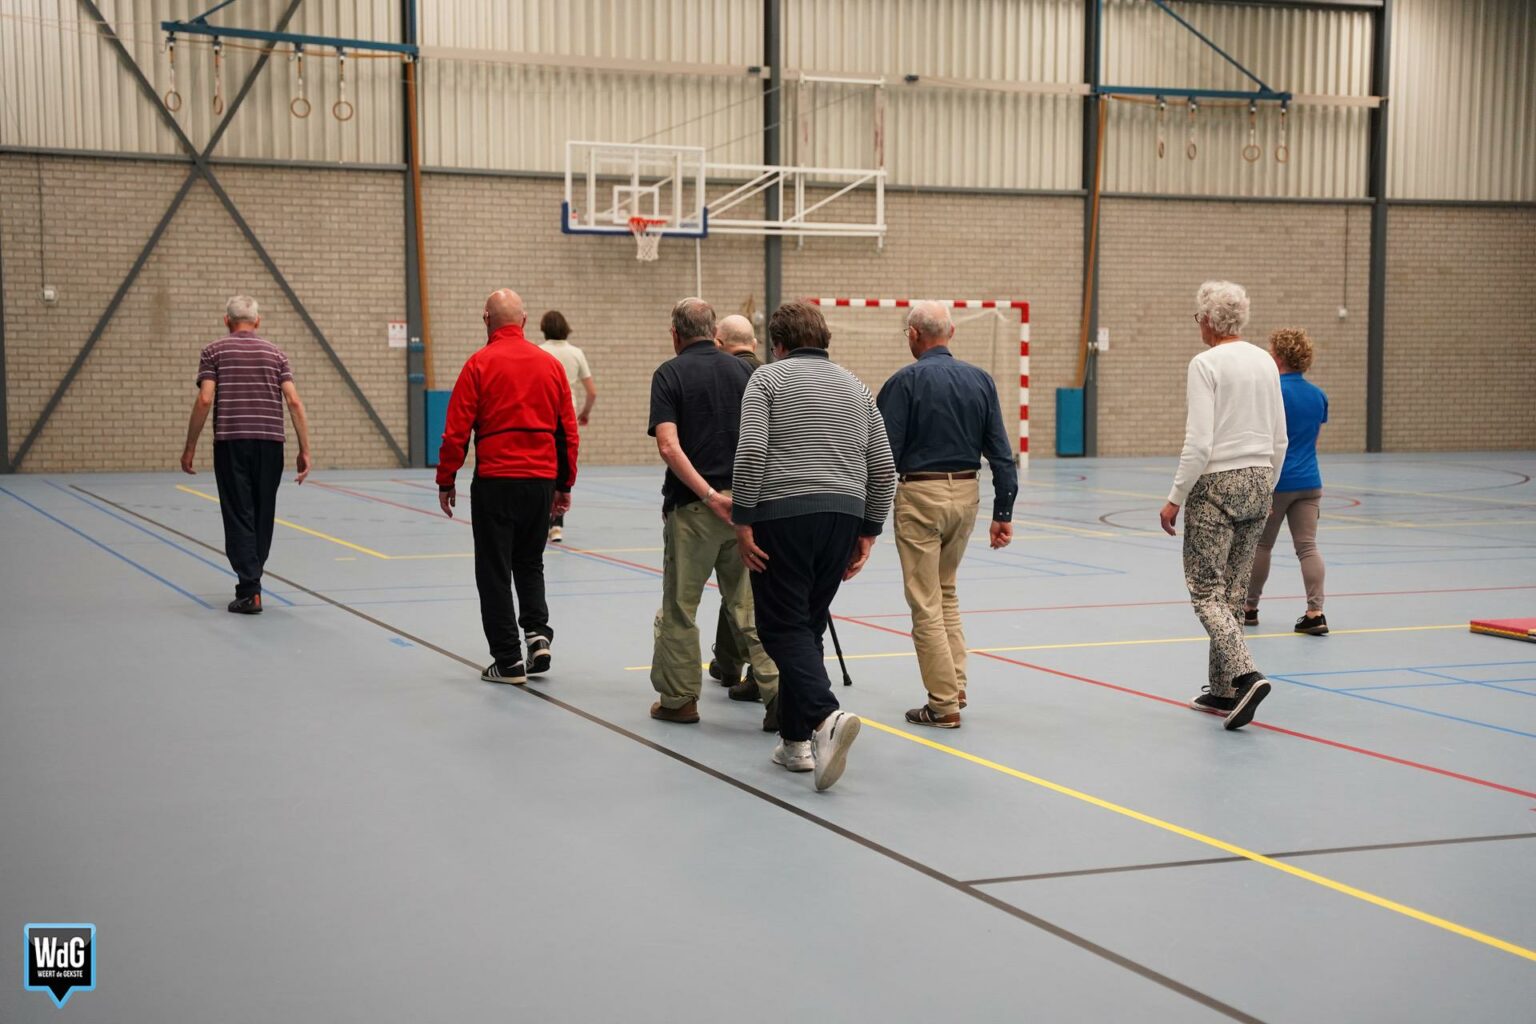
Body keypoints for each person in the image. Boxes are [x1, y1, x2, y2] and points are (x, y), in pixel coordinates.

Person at [732, 301, 895, 791]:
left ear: (778, 345)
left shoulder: (767, 380)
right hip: (843, 517)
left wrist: (743, 520)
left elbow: (752, 451)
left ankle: (826, 719)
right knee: (807, 624)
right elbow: (884, 468)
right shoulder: (857, 387)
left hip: (783, 515)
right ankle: (796, 742)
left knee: (779, 628)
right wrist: (867, 530)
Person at [877, 301, 1017, 728]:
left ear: (913, 335)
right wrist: (1003, 510)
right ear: (951, 332)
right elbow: (1000, 451)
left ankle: (942, 704)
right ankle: (955, 683)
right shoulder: (981, 380)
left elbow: (884, 454)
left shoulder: (904, 382)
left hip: (921, 493)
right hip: (967, 495)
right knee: (946, 590)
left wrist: (868, 516)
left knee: (924, 601)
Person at [646, 298, 780, 728]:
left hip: (695, 509)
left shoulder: (669, 374)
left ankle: (679, 699)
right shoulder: (750, 373)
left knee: (681, 608)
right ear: (714, 332)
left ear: (674, 334)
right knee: (751, 606)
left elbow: (668, 445)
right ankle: (779, 693)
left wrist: (706, 494)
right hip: (748, 508)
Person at [1160, 281, 1287, 731]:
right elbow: (1279, 437)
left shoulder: (1205, 363)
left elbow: (1198, 443)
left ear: (1210, 322)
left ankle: (1247, 673)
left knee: (1205, 591)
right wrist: (1267, 486)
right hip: (1258, 479)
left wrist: (1175, 497)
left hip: (1216, 483)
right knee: (1233, 589)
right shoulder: (1266, 364)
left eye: (1199, 319)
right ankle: (1224, 689)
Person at [438, 289, 579, 684]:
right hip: (540, 482)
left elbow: (455, 433)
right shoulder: (550, 366)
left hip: (496, 481)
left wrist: (446, 479)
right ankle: (536, 634)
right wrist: (564, 484)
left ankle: (508, 660)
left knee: (494, 569)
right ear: (523, 320)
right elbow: (567, 431)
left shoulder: (478, 364)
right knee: (530, 561)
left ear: (486, 320)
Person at [180, 295, 311, 614]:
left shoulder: (214, 351)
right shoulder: (277, 354)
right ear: (258, 321)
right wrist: (304, 449)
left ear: (227, 321)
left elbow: (205, 399)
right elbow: (293, 401)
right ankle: (253, 580)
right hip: (271, 444)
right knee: (263, 512)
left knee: (239, 512)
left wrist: (190, 446)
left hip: (232, 441)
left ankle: (249, 588)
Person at [1245, 327, 1329, 635]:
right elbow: (1312, 442)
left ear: (1277, 356)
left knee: (1261, 545)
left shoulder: (1271, 392)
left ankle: (1249, 607)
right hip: (1309, 481)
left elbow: (1265, 439)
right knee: (1307, 547)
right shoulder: (1318, 396)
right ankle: (1315, 612)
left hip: (1277, 481)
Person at [706, 313, 764, 696]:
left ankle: (760, 674)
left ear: (719, 342)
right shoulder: (773, 375)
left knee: (742, 589)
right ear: (755, 344)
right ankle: (727, 662)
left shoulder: (717, 376)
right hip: (770, 493)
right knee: (743, 583)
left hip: (722, 490)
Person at [538, 310, 595, 543]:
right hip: (567, 414)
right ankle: (557, 525)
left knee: (544, 467)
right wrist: (584, 413)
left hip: (544, 416)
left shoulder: (539, 352)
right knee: (564, 467)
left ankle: (541, 521)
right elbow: (592, 391)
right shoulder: (576, 353)